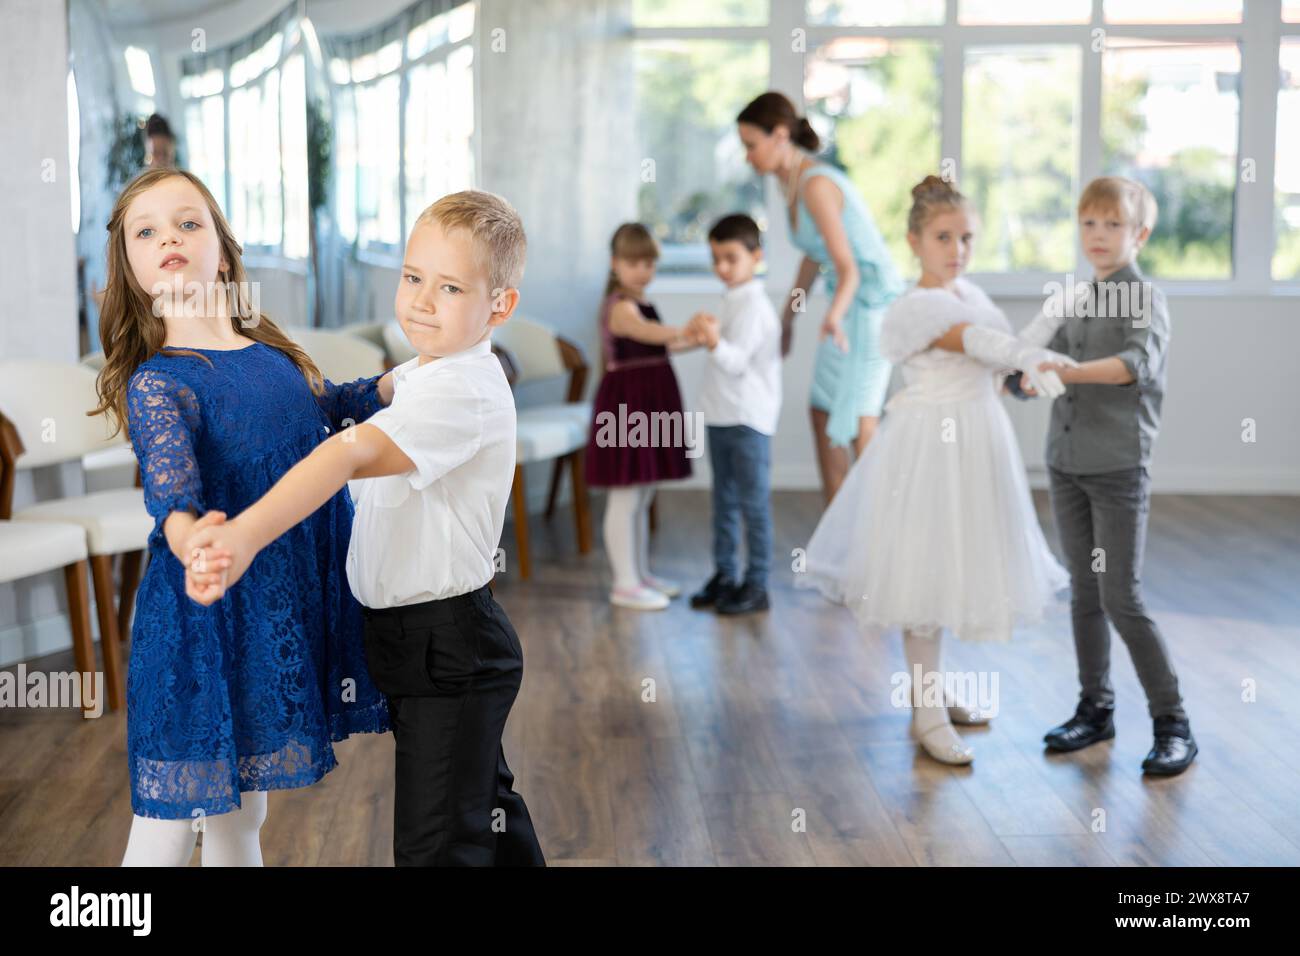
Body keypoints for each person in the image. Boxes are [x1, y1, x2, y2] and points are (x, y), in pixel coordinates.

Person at [186, 190, 547, 864]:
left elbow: (349, 449)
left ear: (499, 306)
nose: (421, 301)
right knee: (482, 814)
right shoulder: (421, 373)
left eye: (450, 287)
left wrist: (245, 534)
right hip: (417, 643)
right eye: (412, 278)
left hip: (450, 644)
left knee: (436, 843)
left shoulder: (463, 388)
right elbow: (338, 403)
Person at [89, 168, 393, 865]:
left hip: (275, 606)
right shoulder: (161, 380)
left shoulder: (272, 354)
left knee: (243, 811)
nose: (170, 237)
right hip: (204, 614)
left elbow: (322, 408)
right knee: (171, 821)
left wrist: (388, 385)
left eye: (188, 223)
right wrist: (192, 539)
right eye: (148, 231)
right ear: (133, 269)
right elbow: (172, 492)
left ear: (221, 252)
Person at [794, 176, 1074, 764]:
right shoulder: (916, 306)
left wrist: (1041, 342)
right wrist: (1025, 354)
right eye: (944, 237)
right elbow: (976, 342)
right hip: (930, 448)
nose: (957, 250)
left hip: (977, 440)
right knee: (923, 570)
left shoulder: (971, 292)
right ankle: (924, 711)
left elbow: (1000, 355)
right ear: (914, 241)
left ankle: (936, 689)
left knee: (954, 569)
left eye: (967, 237)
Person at [1012, 176, 1197, 776]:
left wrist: (1064, 372)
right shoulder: (1076, 297)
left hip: (1117, 467)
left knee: (1122, 596)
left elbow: (1132, 366)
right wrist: (1021, 374)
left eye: (1112, 224)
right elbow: (1041, 357)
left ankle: (1174, 724)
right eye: (1088, 223)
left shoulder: (1146, 300)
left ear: (1139, 234)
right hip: (1065, 465)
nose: (1097, 235)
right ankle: (1096, 709)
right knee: (1085, 593)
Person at [737, 91, 903, 503]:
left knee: (856, 421)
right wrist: (788, 318)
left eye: (751, 145)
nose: (747, 157)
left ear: (779, 135)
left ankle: (876, 535)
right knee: (823, 413)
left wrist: (833, 317)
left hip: (867, 309)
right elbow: (814, 255)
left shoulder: (816, 184)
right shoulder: (789, 182)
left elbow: (847, 266)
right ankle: (841, 530)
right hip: (846, 305)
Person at [584, 223, 703, 610]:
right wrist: (686, 330)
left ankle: (639, 573)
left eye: (649, 262)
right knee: (627, 493)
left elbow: (662, 345)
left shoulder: (642, 302)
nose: (643, 270)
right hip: (627, 407)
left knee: (643, 491)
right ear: (615, 263)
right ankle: (625, 583)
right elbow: (646, 333)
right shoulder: (621, 306)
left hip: (649, 401)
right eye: (634, 262)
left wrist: (696, 339)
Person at [685, 214, 782, 616]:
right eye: (715, 258)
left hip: (748, 420)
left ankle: (756, 584)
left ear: (756, 257)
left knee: (752, 503)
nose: (721, 267)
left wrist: (711, 341)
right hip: (722, 417)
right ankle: (725, 575)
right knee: (723, 501)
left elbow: (737, 362)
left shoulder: (755, 307)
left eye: (731, 258)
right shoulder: (733, 300)